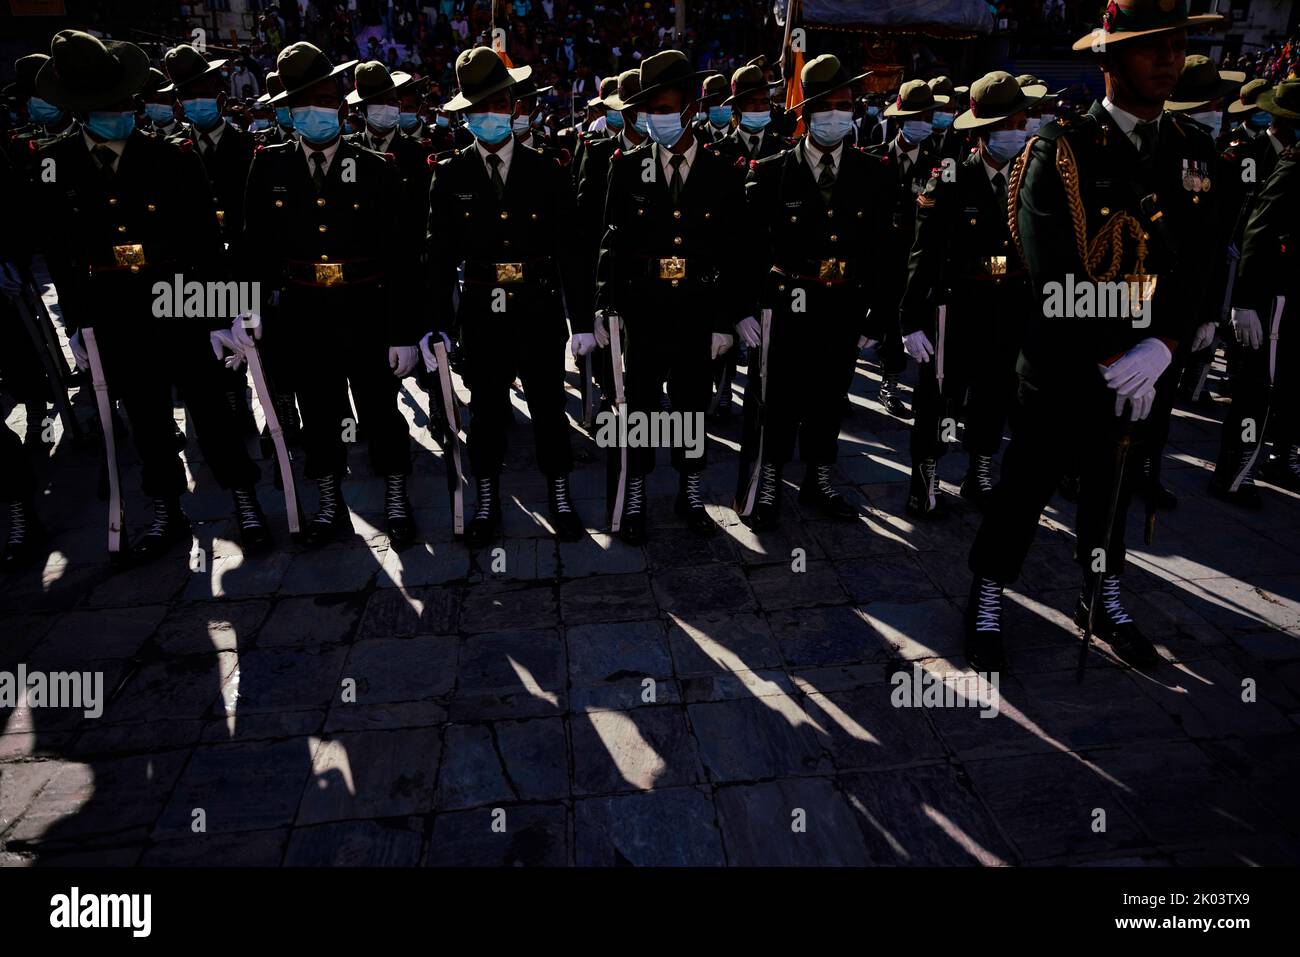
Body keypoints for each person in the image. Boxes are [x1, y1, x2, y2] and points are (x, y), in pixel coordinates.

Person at [965, 0, 1225, 671]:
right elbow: (1049, 277)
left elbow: (1198, 263)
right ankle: (989, 591)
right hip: (1066, 364)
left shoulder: (1193, 151)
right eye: (1150, 47)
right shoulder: (1060, 152)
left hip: (1143, 369)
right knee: (1023, 489)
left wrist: (1162, 346)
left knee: (1114, 492)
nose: (1169, 59)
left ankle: (1103, 591)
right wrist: (1123, 352)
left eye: (1175, 45)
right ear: (1108, 60)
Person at [32, 29, 270, 561]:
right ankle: (166, 507)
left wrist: (221, 313)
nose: (117, 111)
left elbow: (208, 245)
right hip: (112, 301)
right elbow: (62, 253)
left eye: (122, 101)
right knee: (146, 413)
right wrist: (76, 320)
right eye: (103, 104)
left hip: (178, 294)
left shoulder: (172, 157)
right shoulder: (54, 163)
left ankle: (243, 495)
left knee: (210, 406)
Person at [235, 41, 422, 548]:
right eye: (301, 102)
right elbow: (255, 249)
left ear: (340, 103)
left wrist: (404, 332)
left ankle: (395, 493)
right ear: (288, 111)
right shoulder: (269, 167)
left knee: (380, 407)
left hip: (366, 307)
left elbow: (402, 257)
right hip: (303, 310)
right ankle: (327, 498)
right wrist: (243, 310)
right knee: (319, 410)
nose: (313, 111)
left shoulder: (377, 168)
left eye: (321, 98)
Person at [423, 47, 591, 547]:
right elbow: (436, 257)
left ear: (514, 105)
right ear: (465, 114)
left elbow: (572, 252)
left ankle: (560, 495)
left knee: (546, 408)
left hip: (537, 309)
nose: (490, 114)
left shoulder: (547, 170)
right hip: (480, 312)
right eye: (478, 107)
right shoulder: (450, 175)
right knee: (488, 411)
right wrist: (434, 323)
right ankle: (487, 499)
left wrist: (581, 321)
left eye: (497, 103)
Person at [595, 49, 746, 544]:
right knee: (638, 404)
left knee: (691, 403)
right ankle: (636, 488)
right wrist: (605, 305)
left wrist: (727, 320)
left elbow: (731, 251)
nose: (657, 117)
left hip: (697, 310)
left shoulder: (723, 170)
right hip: (644, 309)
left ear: (688, 107)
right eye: (649, 108)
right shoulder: (626, 166)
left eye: (665, 106)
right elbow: (612, 243)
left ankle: (691, 487)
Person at [740, 53, 891, 531]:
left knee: (830, 395)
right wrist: (743, 309)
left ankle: (820, 477)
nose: (838, 115)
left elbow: (886, 249)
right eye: (826, 105)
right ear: (804, 111)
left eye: (845, 105)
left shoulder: (874, 173)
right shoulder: (770, 172)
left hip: (843, 303)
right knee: (777, 397)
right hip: (787, 303)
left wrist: (878, 317)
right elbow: (746, 250)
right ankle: (770, 477)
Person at [900, 71, 1044, 518]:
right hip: (956, 307)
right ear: (984, 131)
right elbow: (923, 250)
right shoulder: (950, 176)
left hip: (1009, 306)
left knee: (995, 393)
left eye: (1021, 121)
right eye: (1009, 124)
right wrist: (910, 318)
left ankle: (980, 469)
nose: (1018, 131)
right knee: (940, 394)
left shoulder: (1033, 176)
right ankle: (927, 472)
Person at [1211, 78, 1300, 501]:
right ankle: (1237, 470)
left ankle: (1281, 455)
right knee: (1256, 389)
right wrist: (1243, 301)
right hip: (1268, 293)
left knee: (1285, 387)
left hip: (1287, 290)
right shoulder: (1287, 163)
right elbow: (1257, 229)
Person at [867, 79, 950, 419]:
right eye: (916, 117)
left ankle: (897, 380)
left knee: (909, 320)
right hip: (878, 259)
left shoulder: (939, 165)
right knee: (877, 320)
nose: (923, 124)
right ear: (900, 119)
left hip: (915, 260)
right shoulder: (874, 159)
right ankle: (873, 380)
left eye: (928, 117)